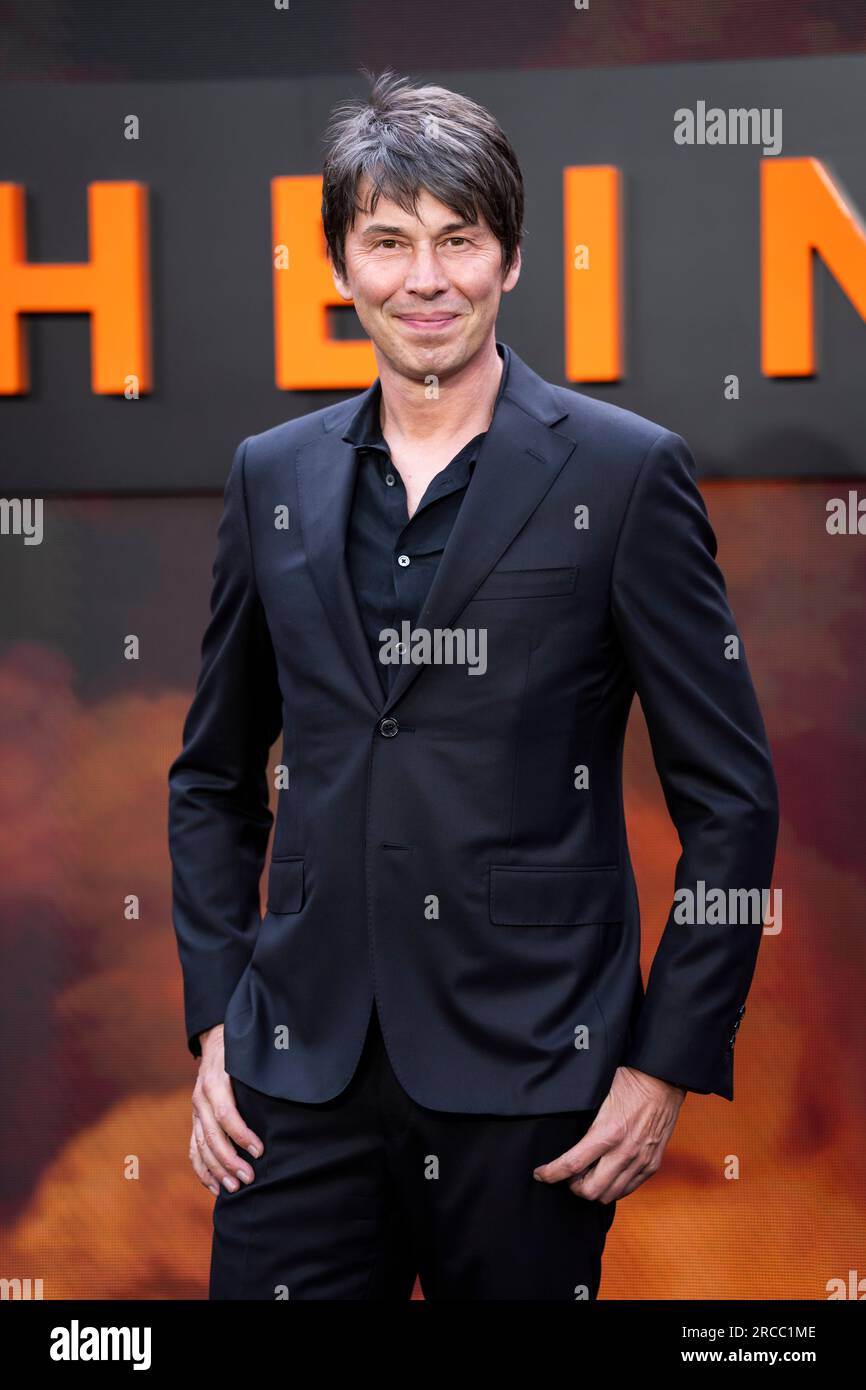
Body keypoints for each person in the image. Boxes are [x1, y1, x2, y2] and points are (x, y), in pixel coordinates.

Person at [167, 69, 779, 1301]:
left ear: (511, 259)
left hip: (534, 1085)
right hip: (298, 1079)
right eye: (387, 243)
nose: (424, 278)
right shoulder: (268, 474)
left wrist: (662, 1063)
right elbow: (213, 778)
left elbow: (732, 801)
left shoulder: (623, 473)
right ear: (341, 268)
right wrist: (220, 1019)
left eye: (458, 240)